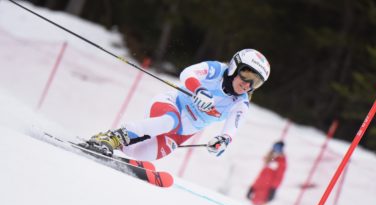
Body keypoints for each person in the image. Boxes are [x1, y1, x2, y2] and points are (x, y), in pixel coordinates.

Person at [87, 49, 270, 161]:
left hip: (184, 132)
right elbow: (187, 73)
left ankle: (113, 146)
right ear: (234, 67)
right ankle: (111, 137)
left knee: (144, 154)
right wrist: (198, 90)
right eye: (246, 75)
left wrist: (223, 141)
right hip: (170, 105)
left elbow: (232, 128)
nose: (248, 84)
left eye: (255, 82)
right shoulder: (215, 70)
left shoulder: (240, 103)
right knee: (169, 122)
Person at [247, 141, 287, 205]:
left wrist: (273, 189)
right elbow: (261, 176)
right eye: (275, 147)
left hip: (267, 189)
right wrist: (252, 187)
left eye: (278, 148)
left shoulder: (281, 161)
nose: (276, 149)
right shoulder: (270, 158)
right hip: (258, 188)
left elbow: (279, 177)